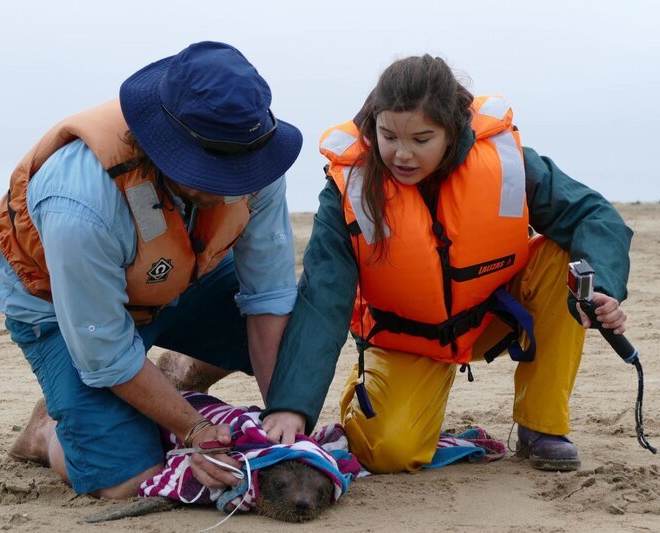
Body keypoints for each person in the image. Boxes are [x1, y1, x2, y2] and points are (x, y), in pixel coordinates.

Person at [262, 54, 633, 474]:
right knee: (388, 453)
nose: (401, 154)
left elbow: (593, 215)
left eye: (421, 139)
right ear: (374, 125)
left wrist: (601, 286)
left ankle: (541, 427)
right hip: (409, 337)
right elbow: (323, 297)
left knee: (562, 256)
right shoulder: (350, 189)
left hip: (492, 313)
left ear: (452, 130)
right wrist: (292, 405)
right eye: (388, 136)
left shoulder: (507, 162)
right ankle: (371, 396)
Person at [0, 41, 308, 498]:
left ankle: (176, 375)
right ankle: (47, 431)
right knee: (125, 480)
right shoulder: (80, 203)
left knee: (291, 338)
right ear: (162, 145)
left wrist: (283, 414)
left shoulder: (253, 157)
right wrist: (195, 429)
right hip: (63, 310)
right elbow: (105, 353)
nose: (229, 190)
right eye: (212, 174)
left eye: (239, 174)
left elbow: (268, 297)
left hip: (176, 276)